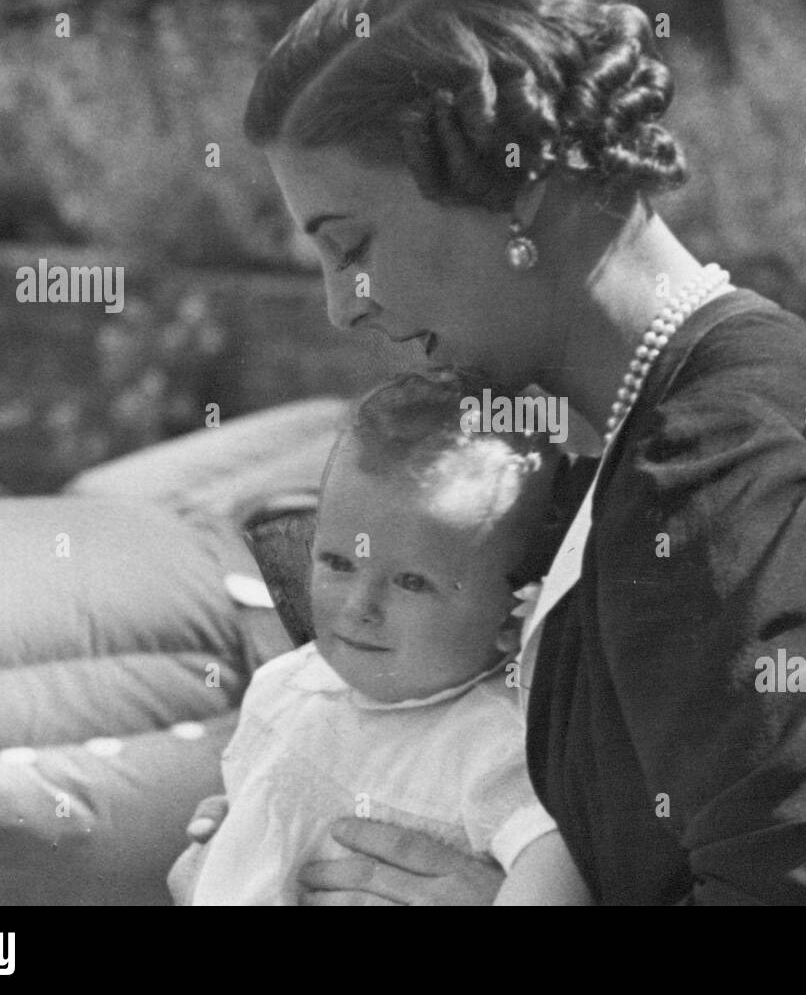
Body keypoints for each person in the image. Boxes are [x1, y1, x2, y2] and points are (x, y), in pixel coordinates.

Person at [182, 0, 806, 905]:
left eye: (350, 243)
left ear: (518, 188)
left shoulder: (718, 486)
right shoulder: (686, 405)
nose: (342, 304)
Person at [174, 367, 591, 906]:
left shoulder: (501, 747)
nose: (358, 607)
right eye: (338, 562)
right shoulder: (285, 685)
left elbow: (554, 882)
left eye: (411, 582)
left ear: (516, 613)